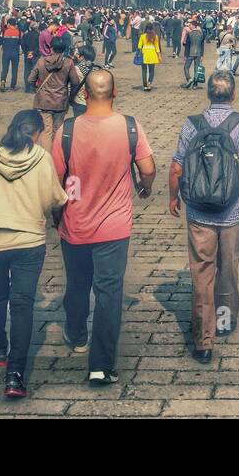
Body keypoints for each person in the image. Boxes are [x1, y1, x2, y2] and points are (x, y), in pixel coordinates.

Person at [52, 70, 156, 387]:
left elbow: (55, 178)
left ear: (84, 95)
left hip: (74, 223)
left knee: (77, 284)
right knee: (109, 294)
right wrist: (143, 187)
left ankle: (76, 332)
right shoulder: (129, 127)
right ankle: (101, 365)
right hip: (114, 227)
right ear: (116, 91)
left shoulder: (66, 131)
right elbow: (149, 169)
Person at [0, 108, 69, 399]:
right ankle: (15, 375)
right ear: (37, 133)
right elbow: (53, 197)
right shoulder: (41, 157)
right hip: (27, 239)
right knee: (23, 304)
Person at [168, 71, 239, 363]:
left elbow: (176, 167)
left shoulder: (192, 124)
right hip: (234, 211)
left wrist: (174, 197)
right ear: (233, 94)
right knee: (228, 267)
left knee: (201, 272)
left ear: (208, 94)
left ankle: (204, 340)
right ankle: (223, 321)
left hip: (199, 211)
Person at [29, 36, 82, 142]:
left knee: (45, 131)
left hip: (43, 101)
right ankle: (56, 155)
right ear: (63, 49)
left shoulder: (41, 61)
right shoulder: (68, 62)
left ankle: (46, 155)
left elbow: (30, 79)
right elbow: (75, 82)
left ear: (51, 48)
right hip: (60, 101)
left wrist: (38, 87)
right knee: (57, 131)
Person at [0, 16, 22, 92]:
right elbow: (20, 42)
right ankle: (13, 85)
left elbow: (0, 42)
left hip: (6, 52)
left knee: (5, 68)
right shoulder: (18, 32)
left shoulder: (5, 31)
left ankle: (3, 82)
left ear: (9, 24)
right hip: (15, 52)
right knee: (14, 70)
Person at [137, 23, 161, 91]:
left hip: (144, 53)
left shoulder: (142, 36)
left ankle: (145, 85)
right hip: (152, 53)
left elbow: (139, 46)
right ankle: (149, 83)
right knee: (151, 70)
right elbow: (157, 47)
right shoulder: (155, 36)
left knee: (144, 70)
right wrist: (159, 56)